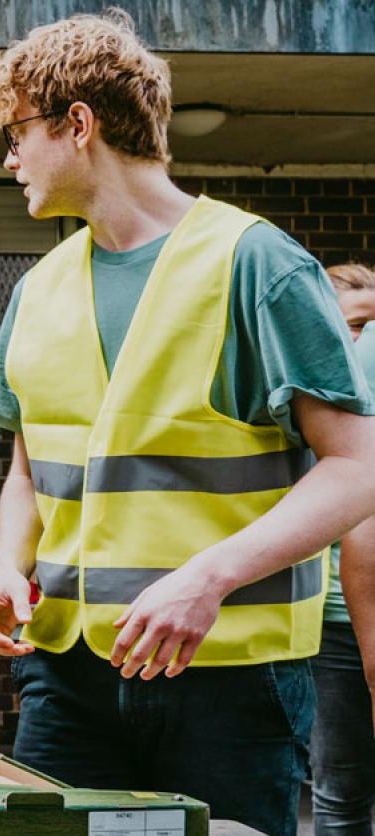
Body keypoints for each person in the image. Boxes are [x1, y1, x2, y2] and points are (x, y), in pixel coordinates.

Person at [0, 12, 375, 836]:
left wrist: (208, 579)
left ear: (76, 124)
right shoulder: (35, 289)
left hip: (229, 676)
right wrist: (8, 567)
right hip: (68, 677)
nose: (7, 159)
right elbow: (27, 471)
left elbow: (358, 467)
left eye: (15, 134)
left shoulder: (257, 265)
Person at [310, 262, 375, 835]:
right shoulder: (313, 411)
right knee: (340, 785)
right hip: (332, 624)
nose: (365, 343)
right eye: (355, 327)